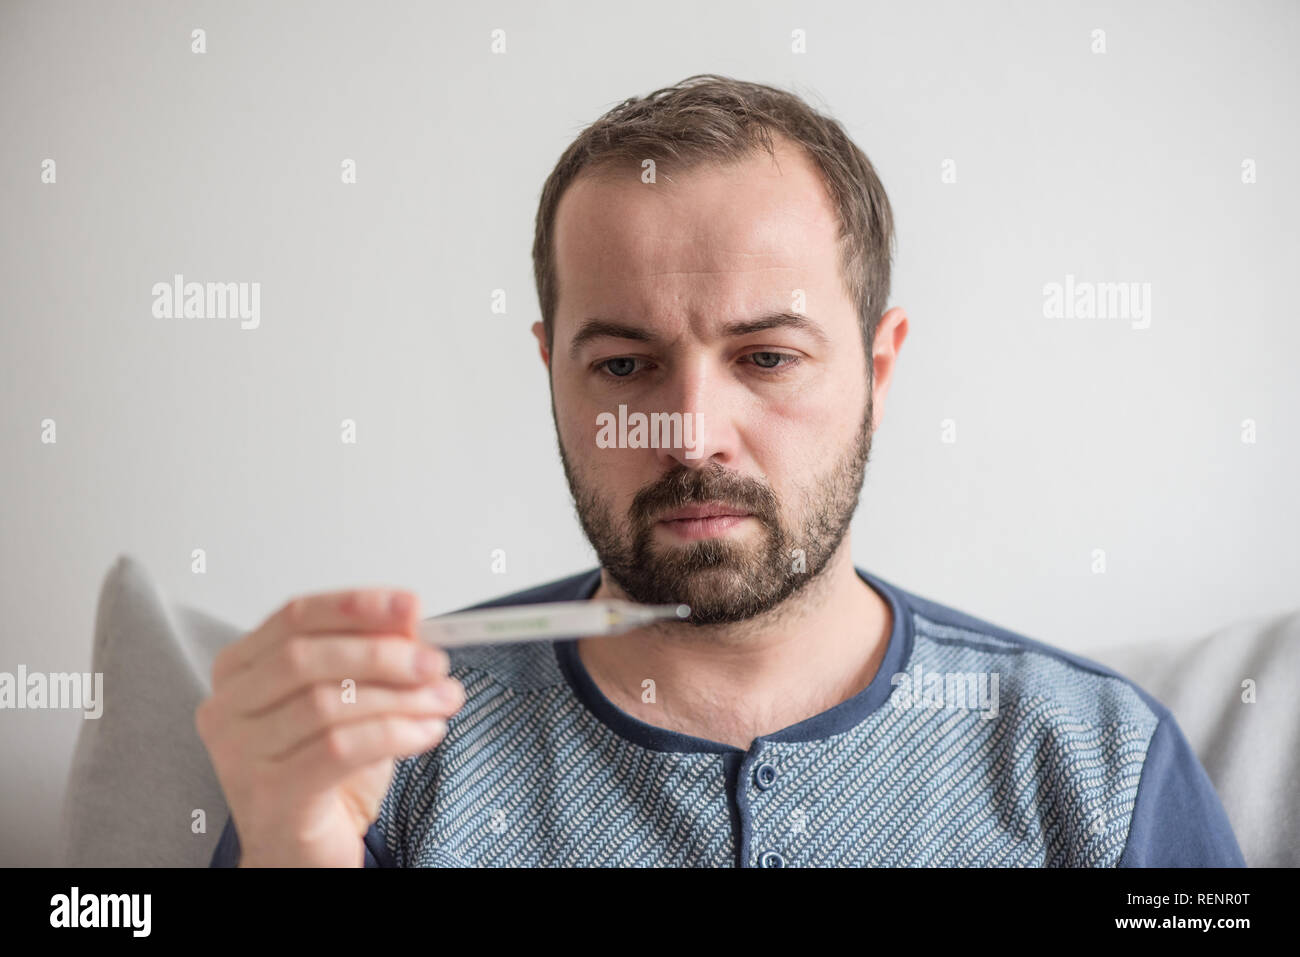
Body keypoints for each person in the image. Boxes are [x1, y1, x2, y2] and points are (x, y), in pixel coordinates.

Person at [200, 74, 1244, 867]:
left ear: (878, 370)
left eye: (767, 359)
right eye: (623, 365)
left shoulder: (1099, 765)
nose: (692, 433)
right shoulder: (383, 762)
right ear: (550, 375)